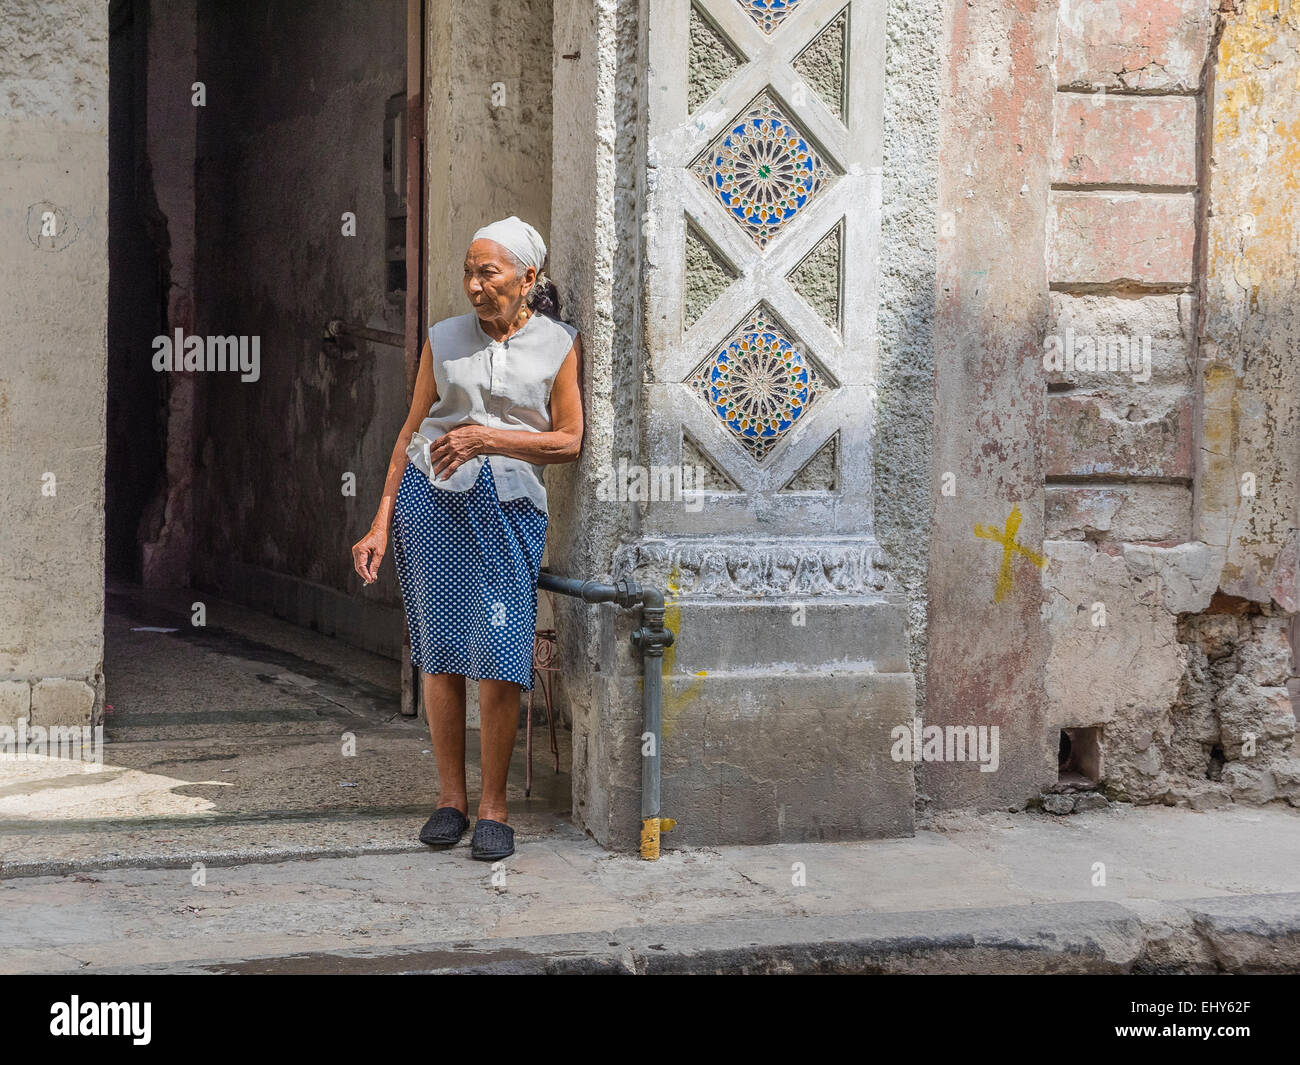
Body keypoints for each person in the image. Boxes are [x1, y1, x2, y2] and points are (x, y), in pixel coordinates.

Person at [351, 216, 583, 860]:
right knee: (441, 651)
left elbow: (569, 440)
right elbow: (409, 431)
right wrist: (378, 522)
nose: (475, 286)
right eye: (469, 272)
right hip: (433, 503)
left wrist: (490, 438)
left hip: (510, 507)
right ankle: (450, 800)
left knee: (502, 655)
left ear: (526, 279)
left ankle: (495, 807)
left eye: (490, 273)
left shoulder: (558, 344)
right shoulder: (444, 338)